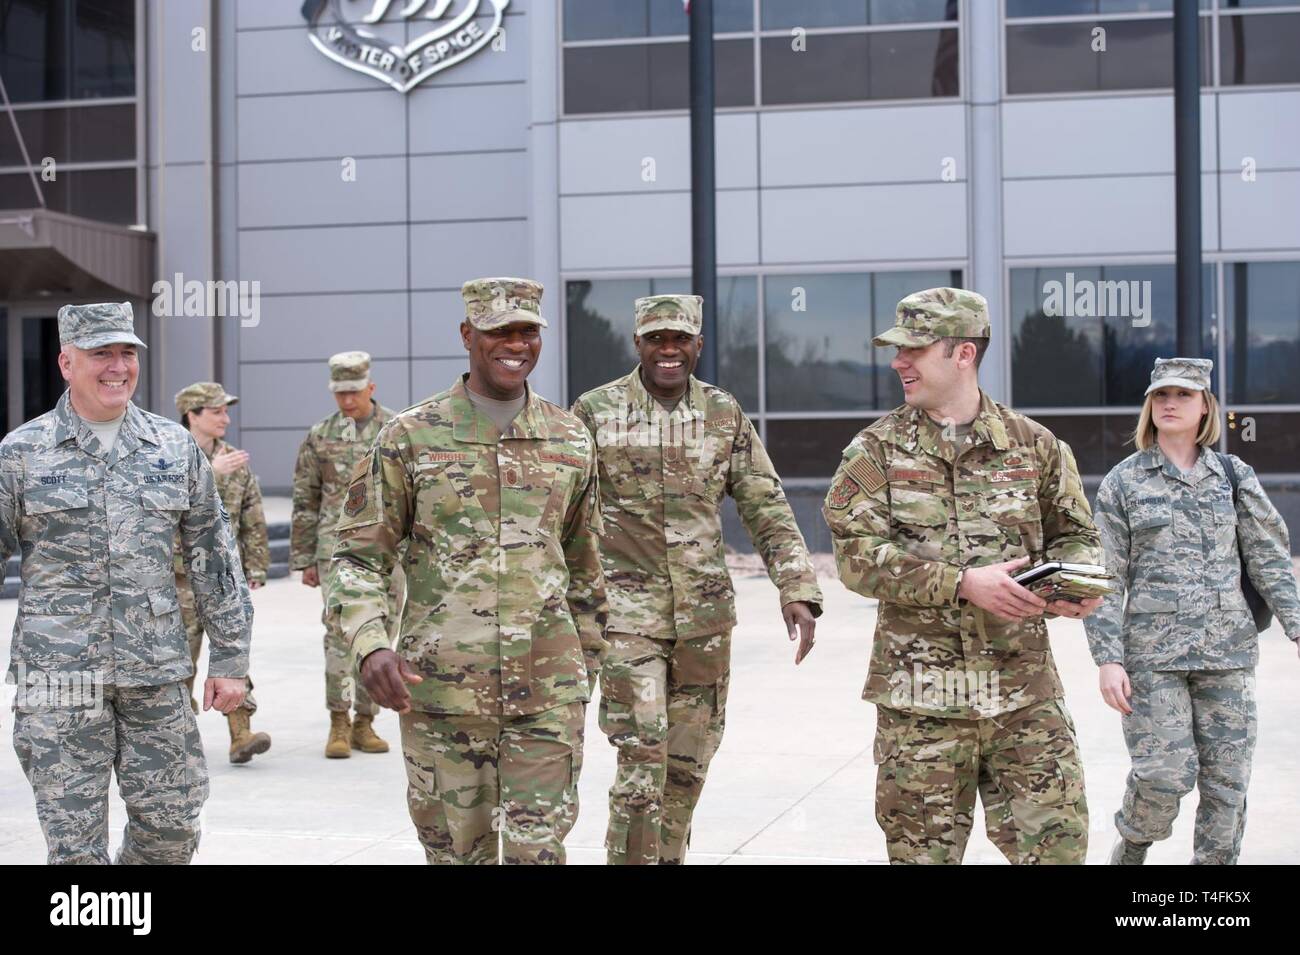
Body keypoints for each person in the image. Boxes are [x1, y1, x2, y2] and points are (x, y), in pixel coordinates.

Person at [329, 277, 608, 864]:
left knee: (539, 854)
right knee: (460, 856)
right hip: (443, 697)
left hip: (547, 695)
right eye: (497, 331)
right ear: (466, 335)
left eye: (527, 330)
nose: (515, 343)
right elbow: (358, 558)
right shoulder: (409, 438)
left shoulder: (571, 439)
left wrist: (584, 664)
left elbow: (585, 564)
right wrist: (370, 644)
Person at [823, 287, 1102, 865]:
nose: (899, 361)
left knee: (1059, 852)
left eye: (914, 349)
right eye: (898, 350)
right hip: (921, 706)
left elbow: (1077, 537)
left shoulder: (1036, 447)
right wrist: (960, 582)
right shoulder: (874, 451)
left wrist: (1070, 587)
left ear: (963, 354)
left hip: (1022, 698)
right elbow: (854, 554)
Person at [571, 293, 821, 865]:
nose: (668, 350)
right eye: (656, 339)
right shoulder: (595, 411)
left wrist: (797, 586)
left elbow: (766, 504)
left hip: (704, 622)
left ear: (697, 346)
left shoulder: (723, 413)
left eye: (679, 339)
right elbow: (563, 510)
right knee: (642, 758)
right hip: (626, 619)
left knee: (685, 768)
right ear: (637, 344)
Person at [0, 302, 251, 864]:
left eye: (126, 353)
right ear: (66, 362)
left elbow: (214, 555)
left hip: (155, 671)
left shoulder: (172, 446)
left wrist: (231, 659)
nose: (117, 367)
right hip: (59, 678)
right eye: (100, 354)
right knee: (75, 845)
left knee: (173, 828)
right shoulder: (21, 453)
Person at [1085, 357, 1300, 865]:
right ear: (1149, 406)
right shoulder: (1124, 482)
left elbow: (1268, 554)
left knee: (1228, 785)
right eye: (1161, 396)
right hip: (1153, 659)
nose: (1170, 403)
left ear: (1205, 407)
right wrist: (1108, 658)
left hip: (1227, 653)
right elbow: (1105, 575)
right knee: (1165, 775)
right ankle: (1134, 844)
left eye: (1183, 395)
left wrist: (1296, 624)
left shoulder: (1232, 475)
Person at [290, 351, 404, 758]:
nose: (347, 401)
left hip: (388, 549)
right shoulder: (320, 434)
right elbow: (306, 498)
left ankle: (364, 722)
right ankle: (338, 721)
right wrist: (304, 558)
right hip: (335, 551)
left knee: (382, 633)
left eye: (354, 392)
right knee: (340, 635)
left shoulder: (395, 431)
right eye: (340, 393)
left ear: (370, 388)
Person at [174, 381, 271, 763]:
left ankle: (241, 735)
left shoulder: (234, 459)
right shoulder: (167, 457)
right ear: (192, 415)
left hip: (221, 580)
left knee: (233, 654)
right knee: (179, 660)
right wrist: (209, 473)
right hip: (177, 579)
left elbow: (252, 514)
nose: (225, 419)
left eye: (225, 411)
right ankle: (175, 739)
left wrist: (257, 564)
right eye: (216, 412)